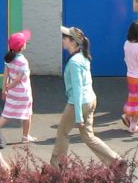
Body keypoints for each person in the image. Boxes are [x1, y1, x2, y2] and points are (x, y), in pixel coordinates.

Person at [51, 26, 119, 166]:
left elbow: (77, 89)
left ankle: (56, 169)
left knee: (62, 133)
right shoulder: (83, 57)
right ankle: (115, 161)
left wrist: (78, 116)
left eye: (65, 38)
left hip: (78, 103)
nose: (63, 40)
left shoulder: (75, 62)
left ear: (73, 42)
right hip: (90, 100)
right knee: (88, 136)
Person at [0, 29, 35, 143]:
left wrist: (5, 89)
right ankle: (25, 136)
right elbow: (19, 79)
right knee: (28, 113)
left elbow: (5, 75)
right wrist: (10, 86)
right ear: (22, 46)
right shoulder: (23, 61)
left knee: (7, 114)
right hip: (23, 93)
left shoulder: (8, 59)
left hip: (12, 93)